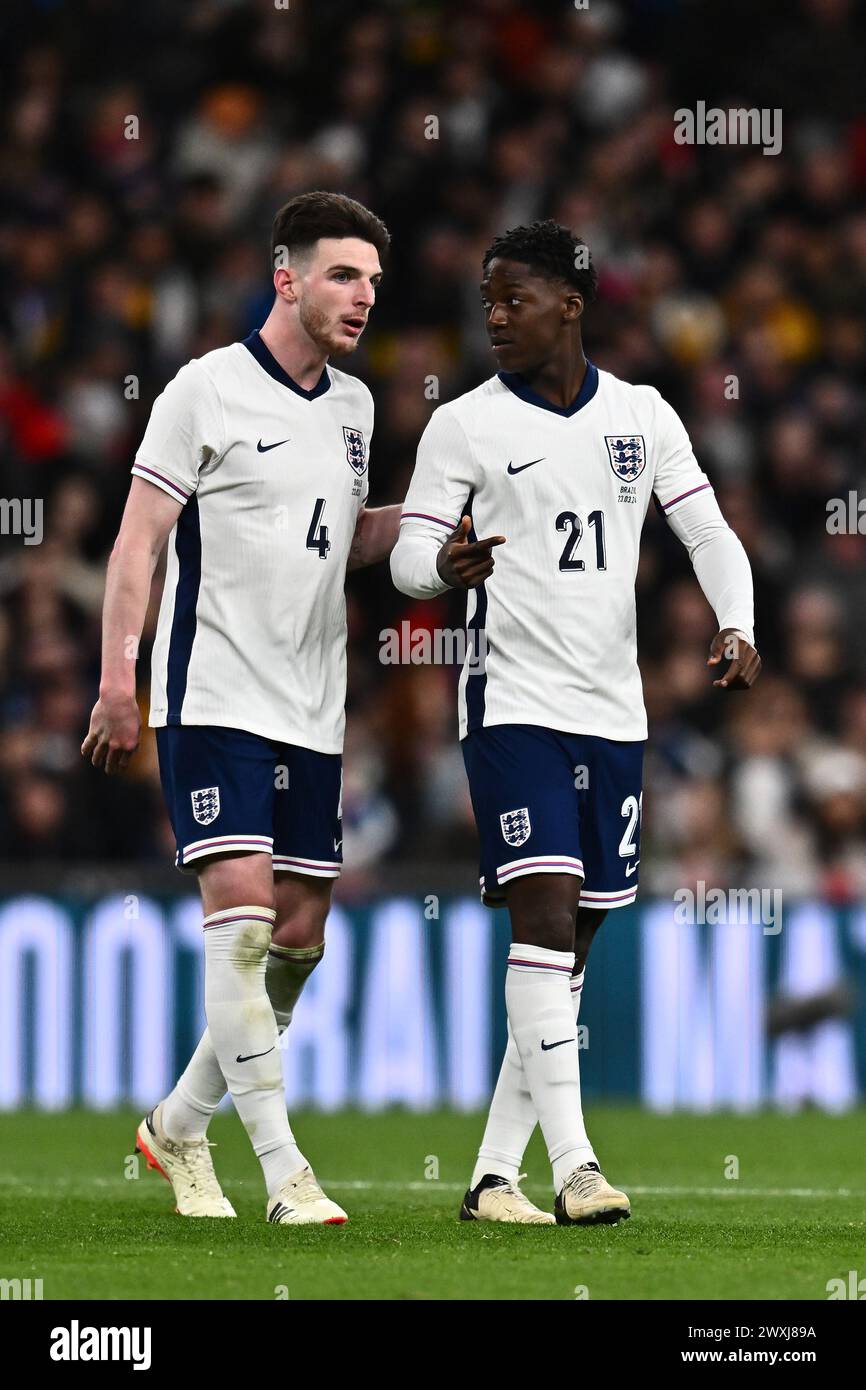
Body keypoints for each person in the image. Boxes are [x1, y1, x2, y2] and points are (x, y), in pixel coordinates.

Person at [390, 220, 761, 1225]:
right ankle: (577, 1164)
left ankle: (488, 1176)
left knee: (568, 953)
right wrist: (441, 568)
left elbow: (707, 530)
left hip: (612, 713)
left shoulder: (641, 415)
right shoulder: (462, 424)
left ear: (570, 304)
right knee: (543, 915)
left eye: (513, 299)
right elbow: (406, 556)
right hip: (510, 702)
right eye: (486, 302)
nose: (495, 318)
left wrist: (737, 621)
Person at [82, 191, 399, 1225]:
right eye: (343, 274)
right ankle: (283, 1171)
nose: (361, 296)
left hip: (312, 703)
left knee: (301, 935)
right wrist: (116, 679)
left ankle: (175, 1125)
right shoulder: (201, 391)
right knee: (248, 923)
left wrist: (437, 525)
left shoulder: (354, 409)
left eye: (372, 281)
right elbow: (136, 542)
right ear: (286, 275)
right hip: (210, 689)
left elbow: (341, 539)